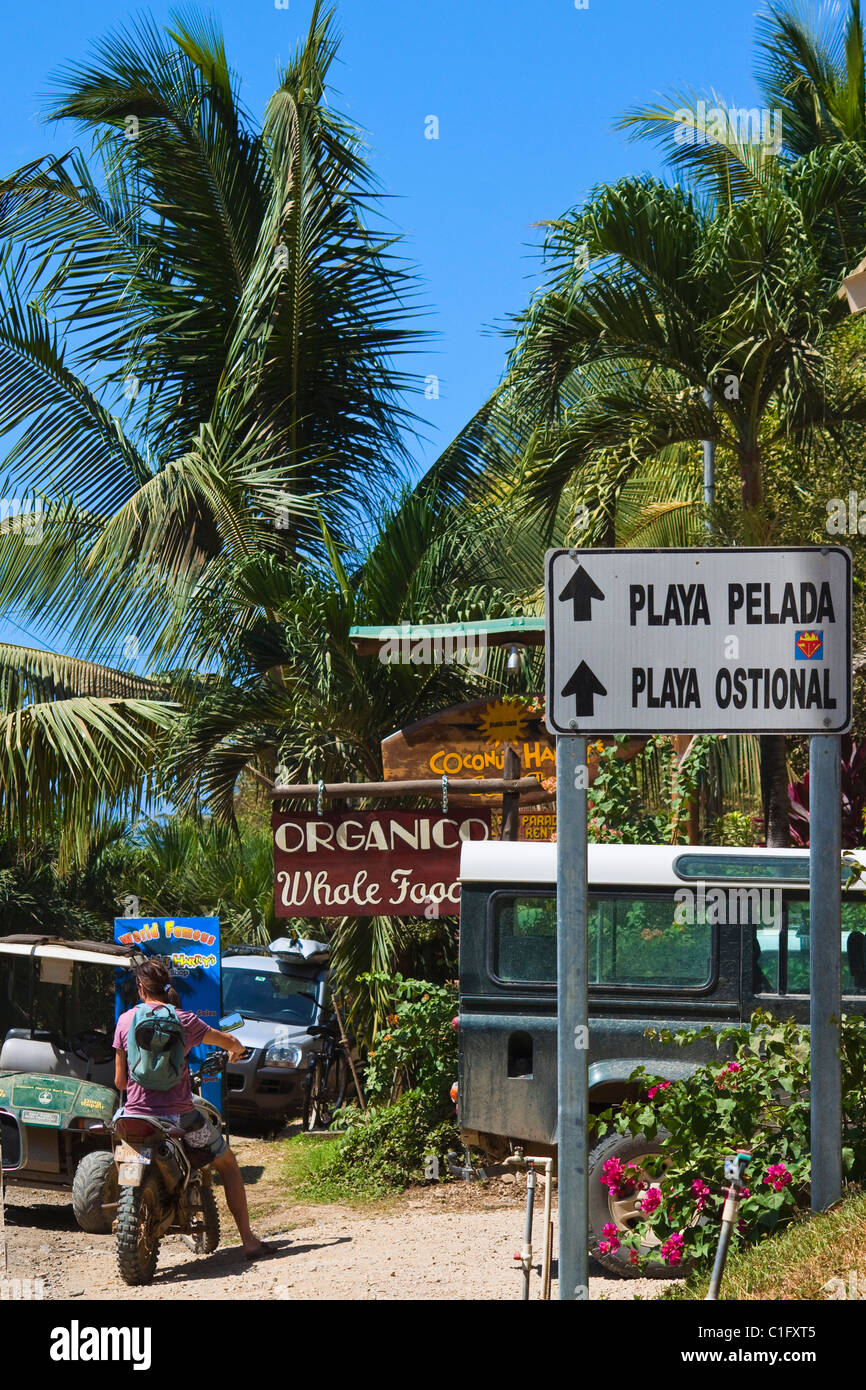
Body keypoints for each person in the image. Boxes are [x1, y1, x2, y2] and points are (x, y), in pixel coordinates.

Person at [113, 959, 277, 1261]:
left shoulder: (125, 1021)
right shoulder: (184, 1020)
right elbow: (228, 1039)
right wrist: (236, 1051)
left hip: (134, 1116)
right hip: (179, 1117)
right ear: (166, 987)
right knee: (227, 1163)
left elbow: (119, 1081)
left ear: (140, 988)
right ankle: (248, 1241)